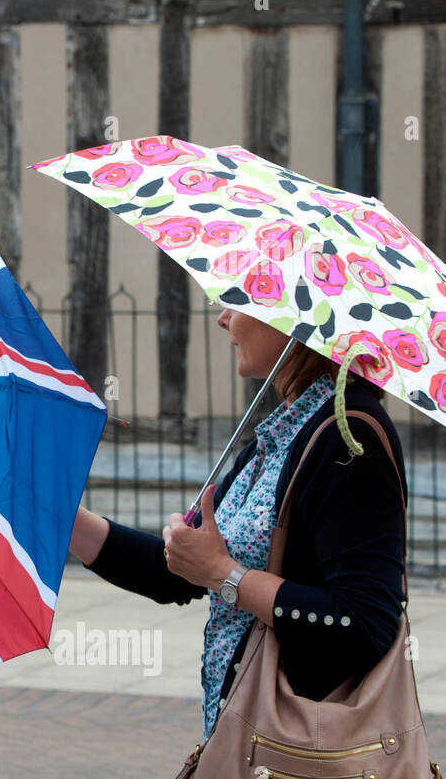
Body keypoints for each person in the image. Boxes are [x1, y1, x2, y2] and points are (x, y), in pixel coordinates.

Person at [69, 307, 405, 742]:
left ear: (291, 320)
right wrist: (57, 512)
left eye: (239, 303)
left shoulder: (348, 435)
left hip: (302, 763)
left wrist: (224, 573)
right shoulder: (284, 432)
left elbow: (363, 623)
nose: (222, 319)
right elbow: (173, 575)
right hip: (241, 745)